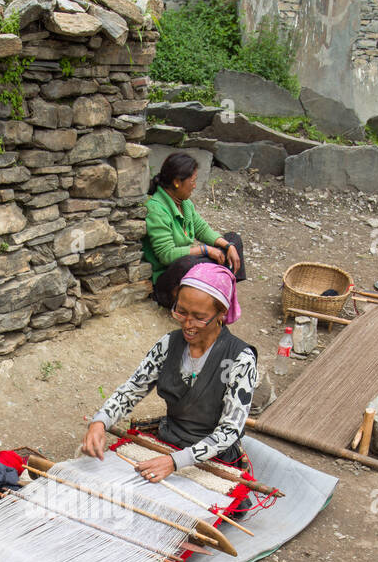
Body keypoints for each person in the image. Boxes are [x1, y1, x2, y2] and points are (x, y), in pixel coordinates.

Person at [81, 263, 257, 491]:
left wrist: (175, 462)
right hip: (166, 442)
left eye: (199, 317)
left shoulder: (239, 359)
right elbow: (132, 390)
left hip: (213, 457)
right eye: (181, 311)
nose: (187, 323)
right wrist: (100, 422)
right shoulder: (169, 345)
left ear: (221, 312)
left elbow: (230, 430)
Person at [144, 151, 246, 310]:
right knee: (189, 263)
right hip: (168, 280)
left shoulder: (185, 203)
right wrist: (205, 250)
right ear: (177, 182)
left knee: (234, 240)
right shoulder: (156, 209)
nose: (195, 185)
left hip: (190, 269)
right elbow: (166, 255)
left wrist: (228, 246)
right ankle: (208, 290)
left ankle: (220, 290)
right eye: (193, 181)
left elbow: (202, 228)